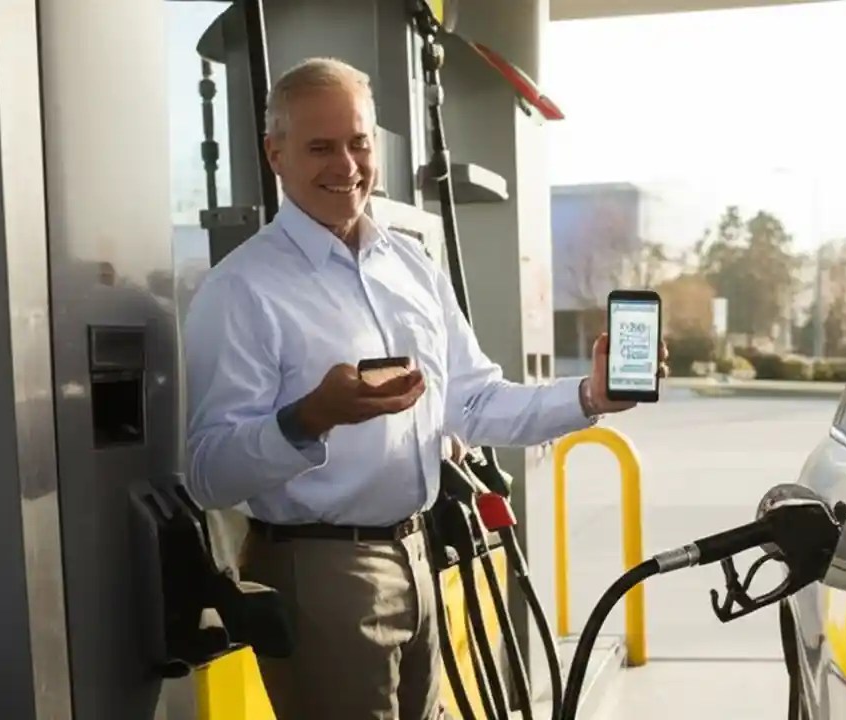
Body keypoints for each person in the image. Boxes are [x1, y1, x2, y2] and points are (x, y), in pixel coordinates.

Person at [182, 56, 668, 720]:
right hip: (320, 571)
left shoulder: (410, 264)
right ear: (276, 154)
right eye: (320, 147)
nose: (346, 165)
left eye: (358, 142)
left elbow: (473, 402)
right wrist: (310, 417)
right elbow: (209, 473)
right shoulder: (241, 290)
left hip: (416, 552)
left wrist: (589, 397)